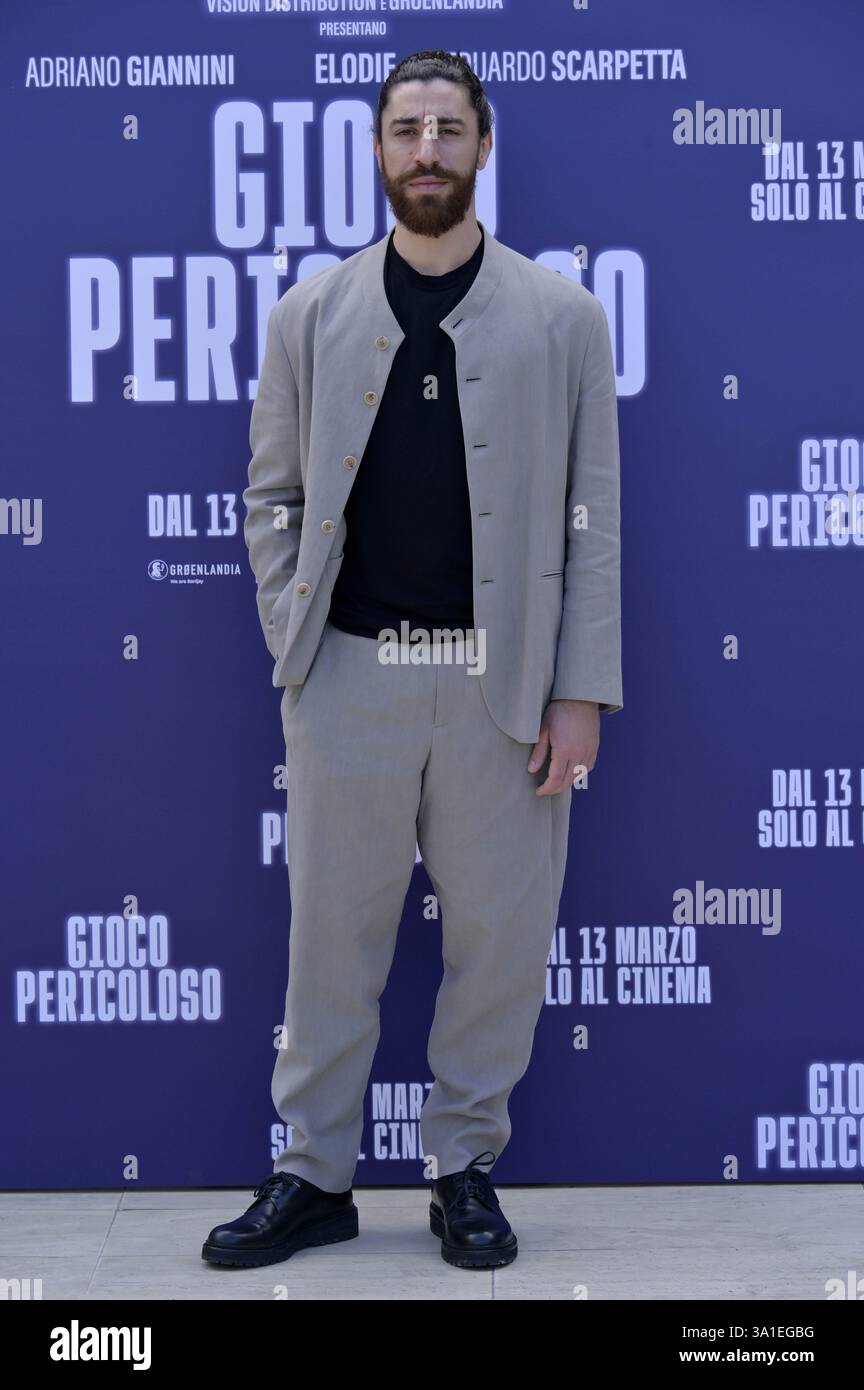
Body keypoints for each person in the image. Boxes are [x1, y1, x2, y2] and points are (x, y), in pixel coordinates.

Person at [202, 48, 622, 1272]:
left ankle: (465, 1169)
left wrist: (579, 689)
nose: (426, 148)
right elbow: (271, 494)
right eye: (405, 129)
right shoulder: (310, 316)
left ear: (484, 147)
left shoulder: (564, 318)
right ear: (379, 153)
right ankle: (313, 1173)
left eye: (448, 127)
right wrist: (295, 632)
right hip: (348, 677)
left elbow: (592, 521)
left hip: (505, 686)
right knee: (329, 939)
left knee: (499, 938)